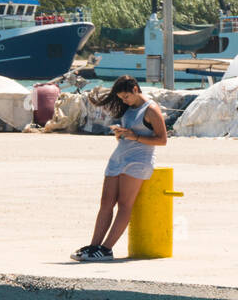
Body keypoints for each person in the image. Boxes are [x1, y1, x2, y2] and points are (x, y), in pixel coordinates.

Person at [71, 76, 168, 261]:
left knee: (125, 204)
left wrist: (135, 137)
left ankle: (107, 249)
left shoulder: (151, 109)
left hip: (138, 160)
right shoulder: (129, 108)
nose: (124, 101)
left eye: (126, 97)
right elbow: (129, 134)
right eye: (121, 98)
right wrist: (121, 134)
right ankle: (94, 246)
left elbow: (162, 140)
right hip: (119, 157)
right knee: (106, 202)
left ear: (135, 89)